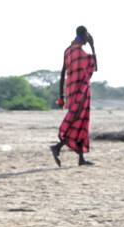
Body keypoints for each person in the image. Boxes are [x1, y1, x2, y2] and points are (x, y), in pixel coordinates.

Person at [51, 26, 98, 167]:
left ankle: (81, 159)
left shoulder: (68, 51)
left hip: (71, 91)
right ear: (84, 36)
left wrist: (61, 96)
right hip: (81, 92)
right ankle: (57, 147)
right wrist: (93, 47)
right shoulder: (82, 54)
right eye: (87, 37)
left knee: (81, 123)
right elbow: (95, 67)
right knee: (75, 122)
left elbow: (62, 74)